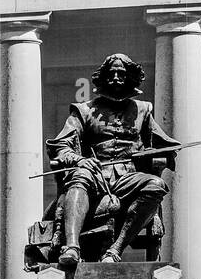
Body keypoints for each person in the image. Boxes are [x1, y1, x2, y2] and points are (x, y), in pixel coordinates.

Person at [45, 53, 180, 267]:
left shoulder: (143, 111)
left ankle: (115, 250)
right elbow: (61, 145)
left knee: (156, 186)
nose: (116, 78)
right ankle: (71, 247)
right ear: (103, 78)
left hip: (128, 178)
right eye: (112, 73)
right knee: (80, 175)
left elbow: (165, 145)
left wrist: (158, 155)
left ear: (131, 78)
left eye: (122, 74)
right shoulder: (84, 110)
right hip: (94, 175)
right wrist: (79, 160)